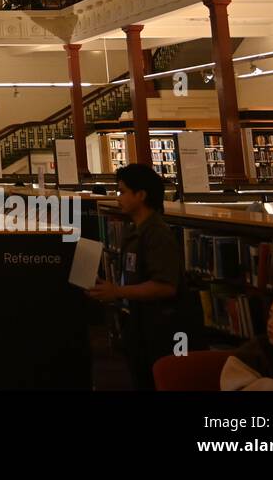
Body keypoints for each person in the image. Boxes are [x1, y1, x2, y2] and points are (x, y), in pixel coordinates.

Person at [87, 165, 189, 391]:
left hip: (160, 331)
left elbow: (165, 286)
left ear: (141, 195)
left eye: (122, 191)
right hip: (141, 326)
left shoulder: (157, 234)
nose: (118, 197)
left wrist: (118, 292)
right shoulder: (134, 231)